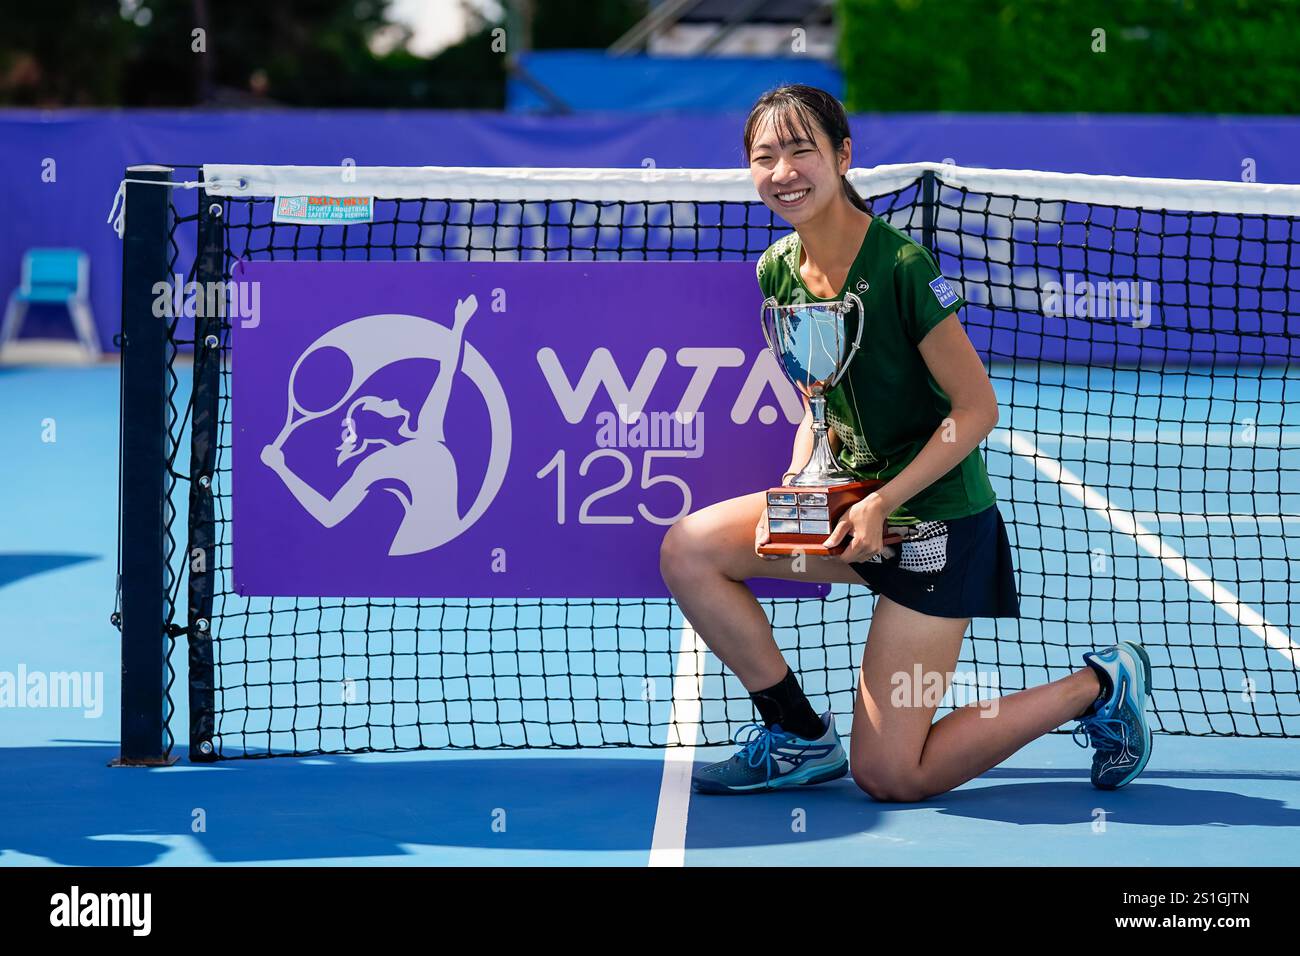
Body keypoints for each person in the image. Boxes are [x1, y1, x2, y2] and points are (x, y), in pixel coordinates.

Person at [659, 84, 1152, 799]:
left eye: (802, 150)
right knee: (690, 550)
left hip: (934, 528)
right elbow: (816, 401)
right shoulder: (777, 271)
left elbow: (976, 407)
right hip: (851, 507)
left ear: (843, 155)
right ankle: (797, 735)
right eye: (766, 156)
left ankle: (1098, 684)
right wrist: (806, 479)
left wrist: (881, 501)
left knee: (892, 776)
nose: (784, 171)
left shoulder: (901, 269)